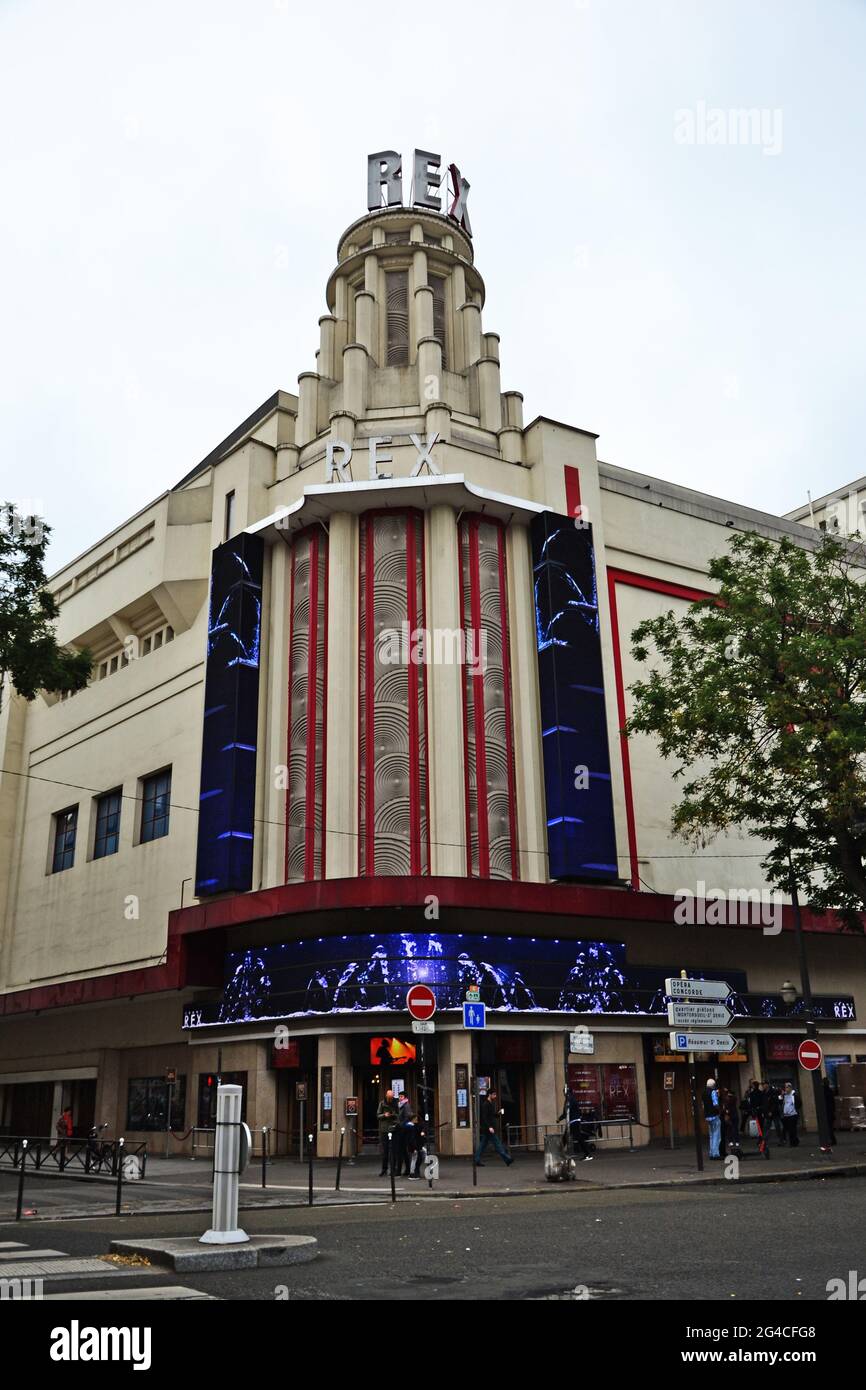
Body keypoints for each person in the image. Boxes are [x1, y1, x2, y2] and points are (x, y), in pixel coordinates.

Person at [474, 1090, 513, 1166]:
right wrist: (490, 1127)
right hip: (489, 1129)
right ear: (489, 1095)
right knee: (497, 1144)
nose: (495, 1096)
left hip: (489, 1128)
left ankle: (477, 1160)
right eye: (494, 1094)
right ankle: (507, 1159)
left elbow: (492, 1115)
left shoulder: (490, 1104)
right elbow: (485, 1117)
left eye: (495, 1094)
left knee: (482, 1145)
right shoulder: (486, 1104)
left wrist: (499, 1113)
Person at [558, 1088, 594, 1162]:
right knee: (568, 1137)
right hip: (572, 1122)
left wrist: (560, 1118)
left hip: (574, 1122)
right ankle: (559, 1153)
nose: (563, 1094)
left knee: (576, 1137)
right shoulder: (570, 1099)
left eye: (564, 1092)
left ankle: (588, 1154)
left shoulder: (570, 1099)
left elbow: (567, 1111)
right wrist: (559, 1119)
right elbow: (566, 1113)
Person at [377, 1088, 399, 1176]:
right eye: (389, 1097)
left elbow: (399, 1115)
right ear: (386, 1096)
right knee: (385, 1151)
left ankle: (393, 1169)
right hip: (384, 1129)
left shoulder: (396, 1104)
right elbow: (378, 1115)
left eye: (391, 1097)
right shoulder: (382, 1103)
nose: (390, 1098)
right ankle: (384, 1169)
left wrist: (393, 1115)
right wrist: (384, 1115)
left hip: (393, 1129)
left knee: (393, 1151)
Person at [703, 1078, 722, 1159]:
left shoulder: (703, 1093)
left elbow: (703, 1105)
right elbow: (715, 1103)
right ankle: (715, 1154)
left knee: (711, 1135)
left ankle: (711, 1152)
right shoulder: (713, 1092)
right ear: (713, 1085)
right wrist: (719, 1110)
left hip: (707, 1116)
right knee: (716, 1135)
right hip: (714, 1115)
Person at [781, 1082, 800, 1147]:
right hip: (786, 1115)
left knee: (792, 1129)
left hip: (793, 1115)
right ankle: (794, 1140)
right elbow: (779, 1100)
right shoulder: (784, 1095)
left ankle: (793, 1142)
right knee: (787, 1129)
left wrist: (795, 1109)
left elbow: (799, 1103)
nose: (786, 1089)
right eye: (785, 1087)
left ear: (790, 1088)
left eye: (787, 1087)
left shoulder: (794, 1095)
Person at [722, 1088, 740, 1156]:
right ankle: (737, 1142)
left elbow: (725, 1107)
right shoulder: (734, 1098)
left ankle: (731, 1141)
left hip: (730, 1116)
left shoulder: (728, 1099)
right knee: (735, 1129)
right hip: (734, 1115)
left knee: (730, 1129)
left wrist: (726, 1112)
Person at [823, 1076, 837, 1144]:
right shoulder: (830, 1091)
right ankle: (832, 1140)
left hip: (826, 1112)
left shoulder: (823, 1091)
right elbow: (833, 1103)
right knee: (830, 1127)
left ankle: (831, 1140)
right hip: (830, 1112)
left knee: (828, 1128)